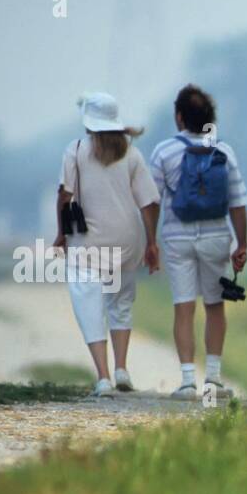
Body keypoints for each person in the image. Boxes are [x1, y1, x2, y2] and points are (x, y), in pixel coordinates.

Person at [54, 92, 160, 396]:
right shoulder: (133, 155)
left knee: (89, 304)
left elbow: (64, 195)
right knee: (121, 303)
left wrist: (62, 234)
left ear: (89, 122)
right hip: (128, 241)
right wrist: (151, 243)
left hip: (89, 243)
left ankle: (103, 378)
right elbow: (150, 202)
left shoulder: (75, 150)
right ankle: (122, 368)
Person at [148, 84, 247, 400]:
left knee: (183, 307)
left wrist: (150, 241)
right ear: (209, 119)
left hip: (177, 237)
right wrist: (241, 243)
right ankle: (215, 381)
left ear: (179, 117)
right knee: (215, 306)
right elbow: (238, 202)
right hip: (216, 237)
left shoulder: (163, 152)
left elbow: (152, 201)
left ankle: (188, 381)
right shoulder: (224, 151)